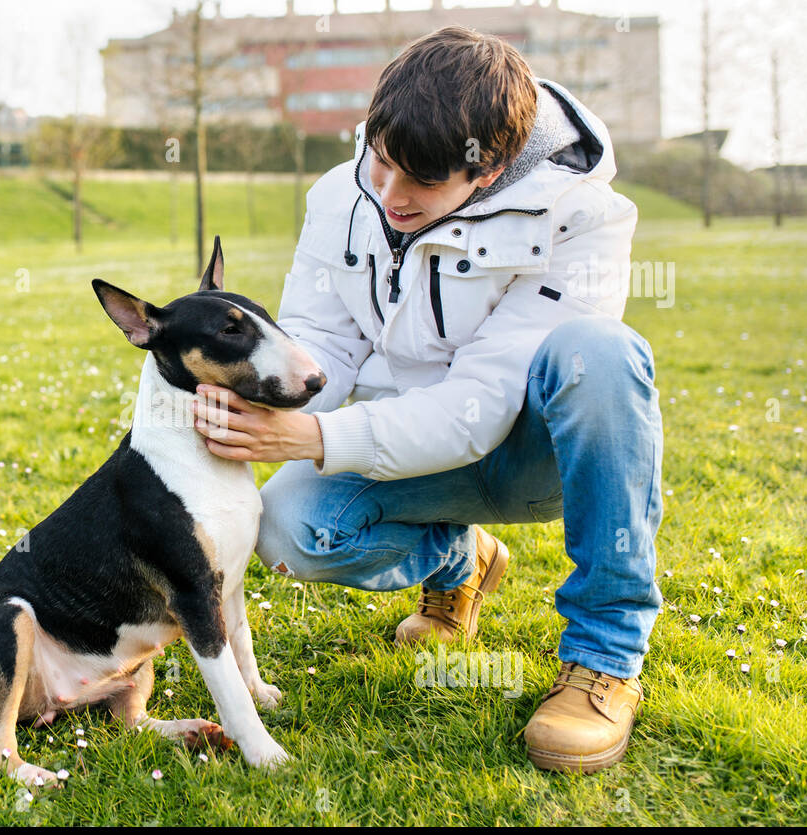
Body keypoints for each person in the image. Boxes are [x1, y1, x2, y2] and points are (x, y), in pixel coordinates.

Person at [189, 26, 663, 774]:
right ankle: (460, 560)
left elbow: (478, 406)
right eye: (381, 161)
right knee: (284, 532)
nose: (389, 195)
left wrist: (313, 442)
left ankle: (604, 657)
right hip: (407, 450)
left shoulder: (585, 218)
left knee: (602, 354)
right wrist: (266, 407)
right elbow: (325, 346)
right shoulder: (340, 195)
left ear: (492, 166)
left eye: (421, 182)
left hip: (532, 458)